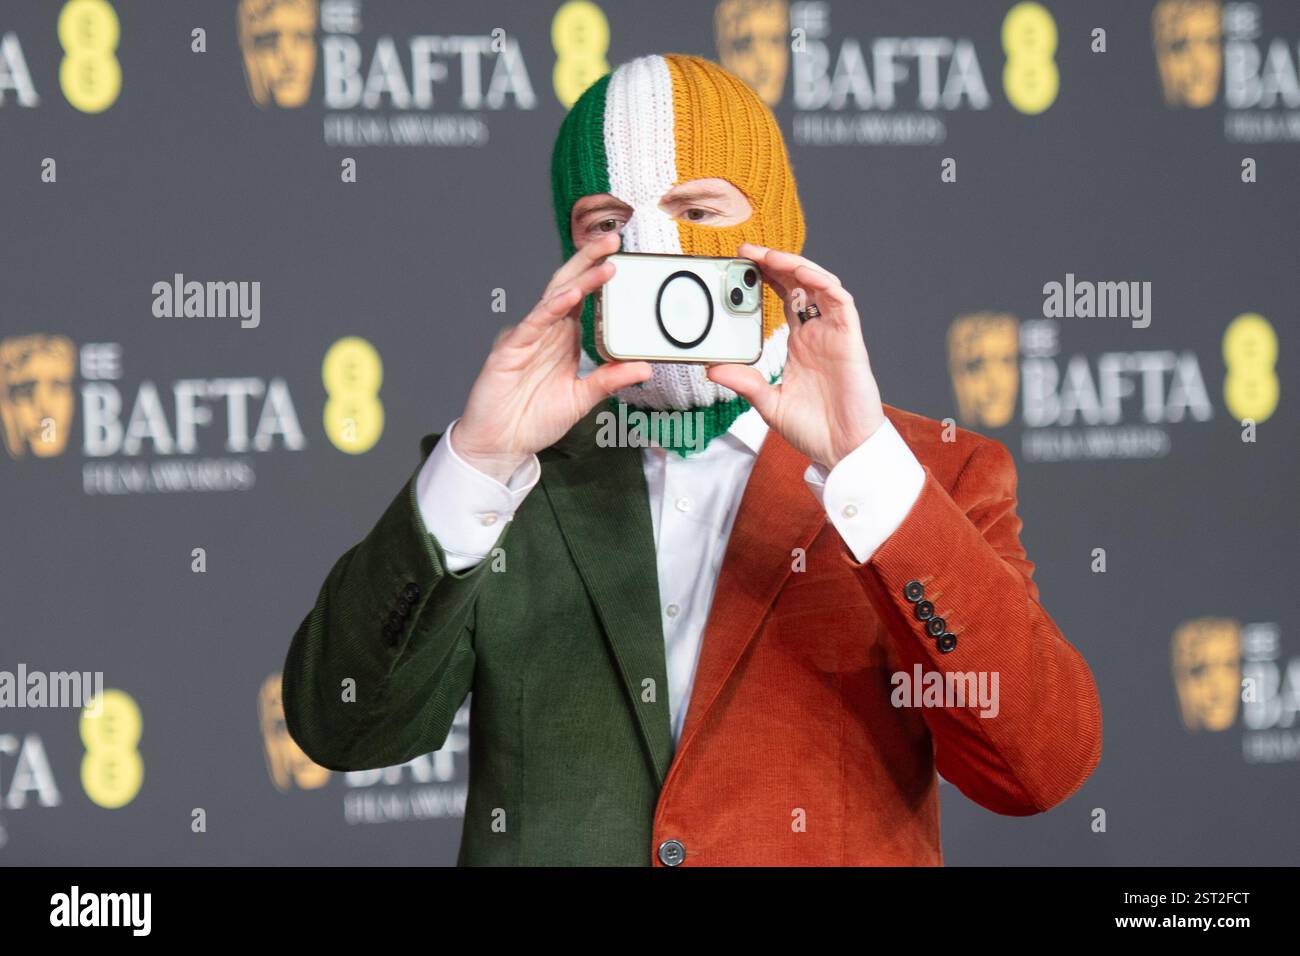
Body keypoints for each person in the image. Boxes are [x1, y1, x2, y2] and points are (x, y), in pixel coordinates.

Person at [282, 52, 1102, 866]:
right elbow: (343, 728)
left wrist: (866, 469)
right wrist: (479, 461)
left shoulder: (931, 476)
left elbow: (1037, 767)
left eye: (699, 210)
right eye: (607, 223)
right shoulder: (504, 476)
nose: (655, 248)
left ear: (774, 233)